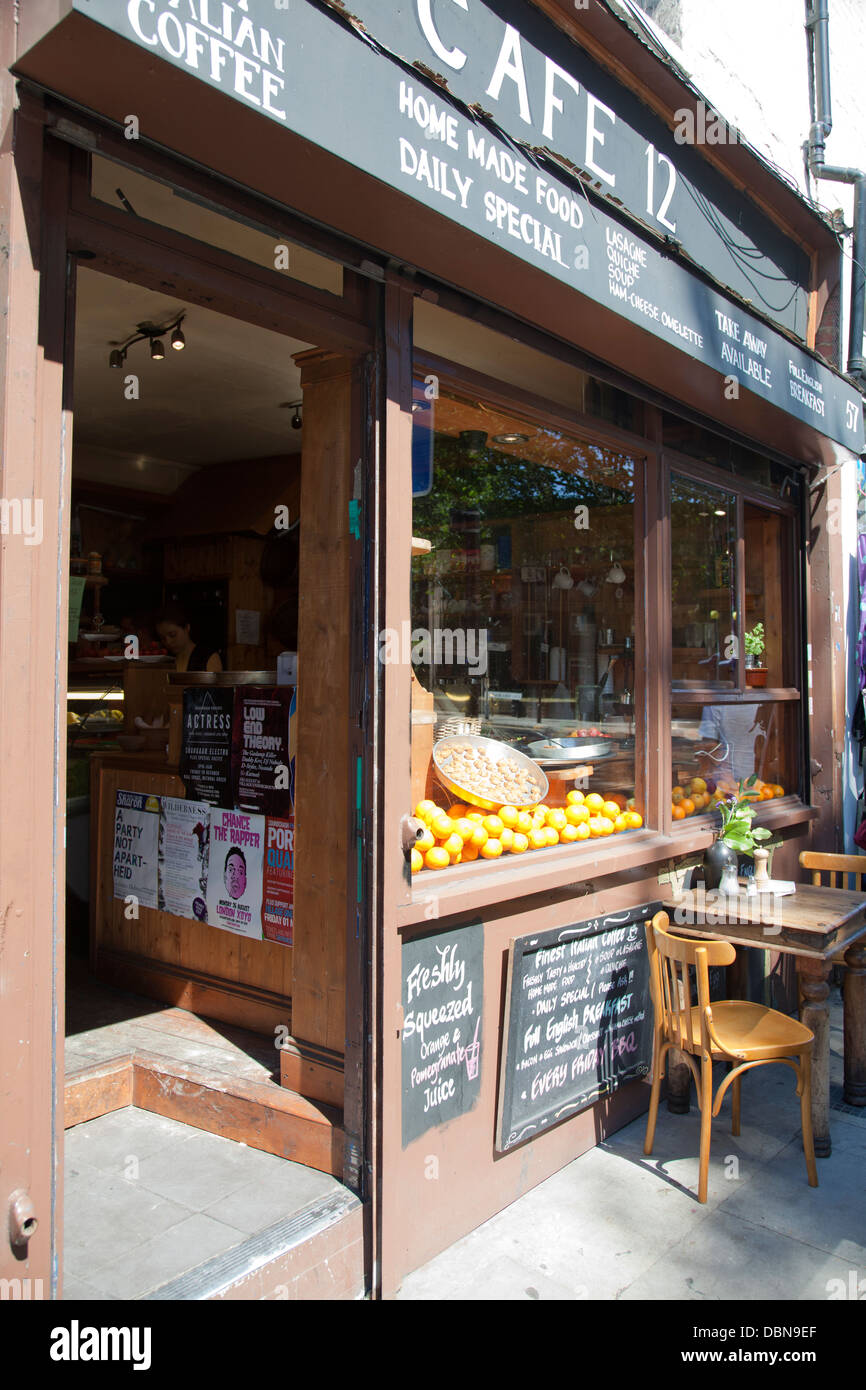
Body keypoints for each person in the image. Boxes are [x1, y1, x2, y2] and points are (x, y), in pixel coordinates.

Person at [155, 604, 223, 673]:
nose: (168, 642)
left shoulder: (207, 657)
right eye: (163, 638)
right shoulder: (165, 660)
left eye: (173, 635)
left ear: (187, 628)